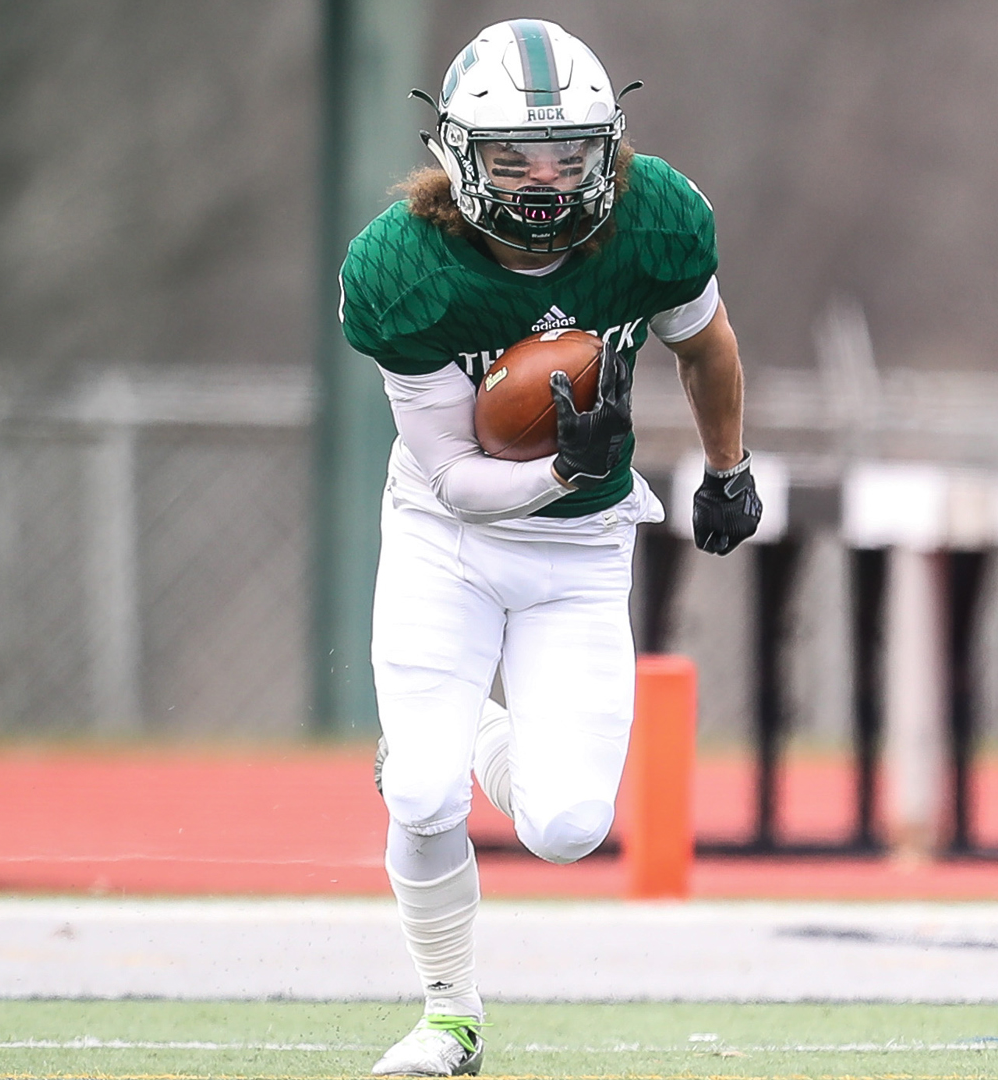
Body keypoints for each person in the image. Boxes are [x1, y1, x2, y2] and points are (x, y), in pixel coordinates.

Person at [339, 18, 762, 1076]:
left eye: (567, 153)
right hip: (450, 537)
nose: (543, 182)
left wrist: (727, 466)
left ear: (607, 148)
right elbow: (453, 477)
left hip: (580, 555)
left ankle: (451, 736)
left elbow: (704, 343)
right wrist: (561, 470)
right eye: (514, 157)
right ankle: (448, 1015)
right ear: (457, 158)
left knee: (568, 826)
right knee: (429, 799)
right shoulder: (407, 269)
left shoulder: (652, 220)